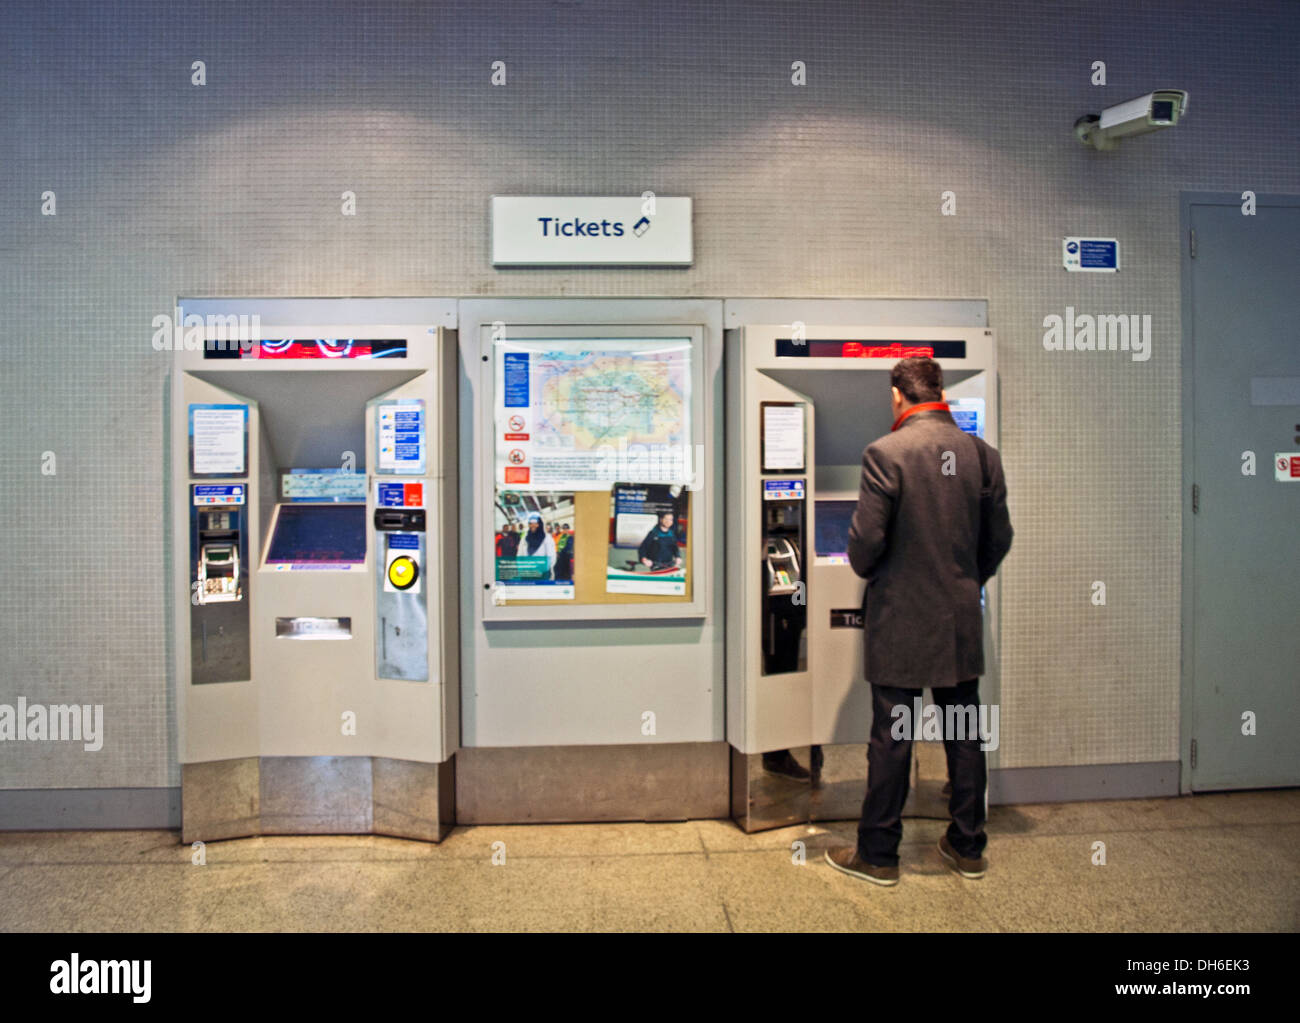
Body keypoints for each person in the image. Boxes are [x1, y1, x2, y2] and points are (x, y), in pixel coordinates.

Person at [825, 357, 1013, 887]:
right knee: (963, 732)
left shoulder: (887, 453)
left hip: (902, 618)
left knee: (893, 736)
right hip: (957, 618)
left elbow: (865, 544)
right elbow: (999, 538)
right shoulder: (982, 456)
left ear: (896, 396)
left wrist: (873, 570)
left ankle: (880, 855)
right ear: (940, 392)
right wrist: (965, 580)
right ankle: (967, 846)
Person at [521, 512, 556, 579]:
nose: (533, 525)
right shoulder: (525, 538)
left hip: (542, 572)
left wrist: (545, 569)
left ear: (539, 524)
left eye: (535, 523)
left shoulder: (547, 538)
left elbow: (551, 556)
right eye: (530, 523)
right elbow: (521, 555)